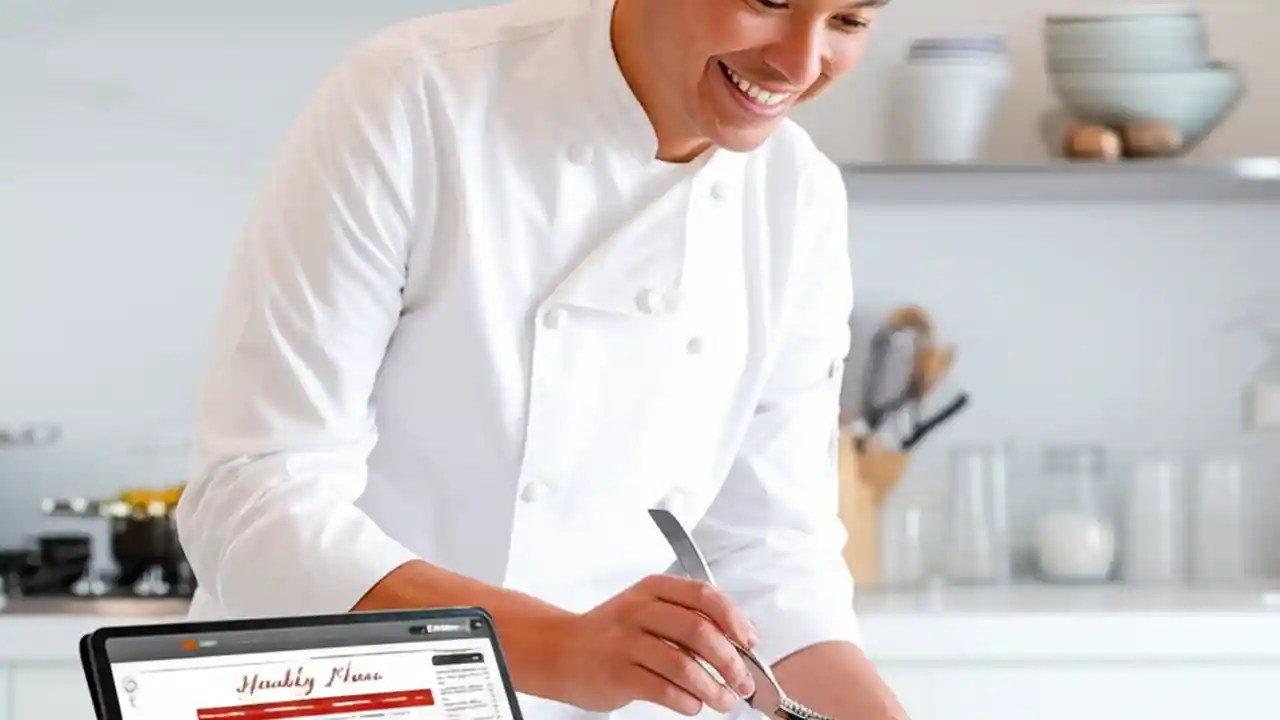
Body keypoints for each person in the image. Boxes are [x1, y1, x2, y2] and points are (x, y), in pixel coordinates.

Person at [176, 0, 907, 718]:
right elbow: (256, 501)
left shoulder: (797, 196)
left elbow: (770, 564)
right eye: (768, 1)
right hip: (327, 696)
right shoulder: (420, 95)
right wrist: (561, 652)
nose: (800, 64)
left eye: (849, 20)